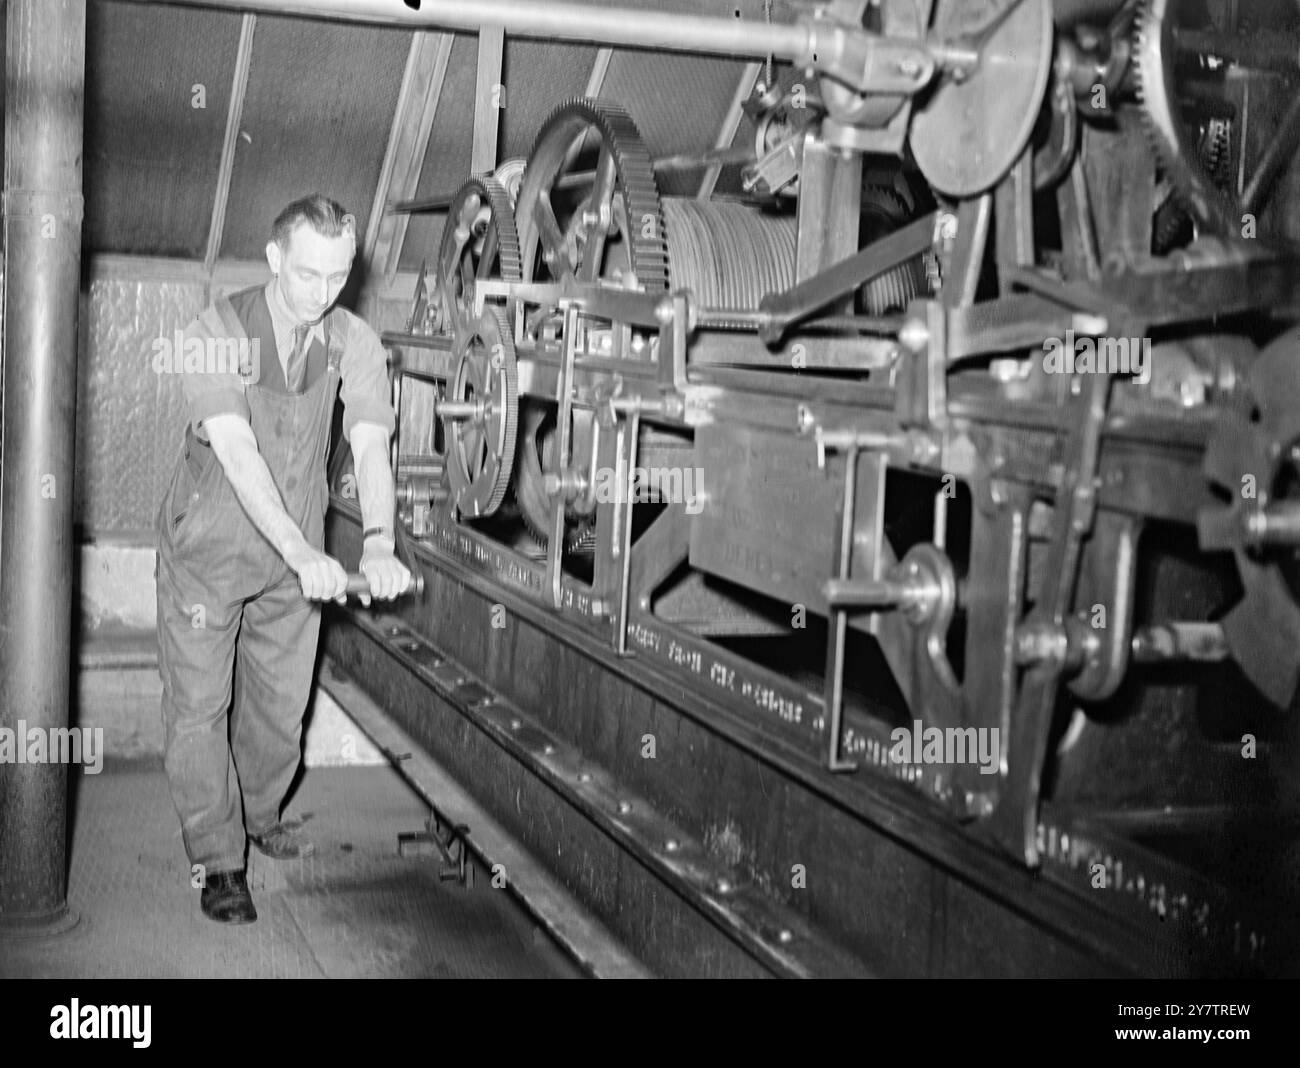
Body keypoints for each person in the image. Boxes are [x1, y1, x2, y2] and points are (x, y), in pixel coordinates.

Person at [154, 194, 411, 924]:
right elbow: (235, 451)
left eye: (337, 277)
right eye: (306, 275)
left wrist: (381, 540)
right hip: (209, 550)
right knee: (199, 709)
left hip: (292, 559)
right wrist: (303, 551)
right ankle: (218, 858)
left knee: (278, 707)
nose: (321, 294)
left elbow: (368, 443)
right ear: (273, 259)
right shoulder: (216, 331)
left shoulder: (353, 341)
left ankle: (258, 815)